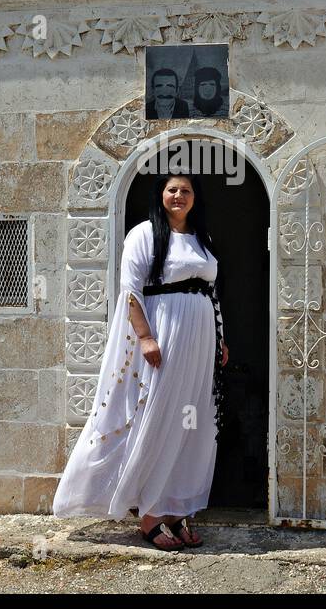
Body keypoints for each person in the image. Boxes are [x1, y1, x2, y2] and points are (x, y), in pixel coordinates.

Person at [52, 173, 229, 551]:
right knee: (159, 418)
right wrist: (145, 336)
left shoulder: (203, 238)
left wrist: (221, 338)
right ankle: (150, 513)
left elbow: (211, 294)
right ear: (161, 195)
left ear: (195, 198)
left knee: (191, 422)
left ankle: (176, 508)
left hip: (199, 342)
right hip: (164, 336)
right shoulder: (144, 234)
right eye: (172, 190)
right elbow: (131, 291)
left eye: (186, 190)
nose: (178, 195)